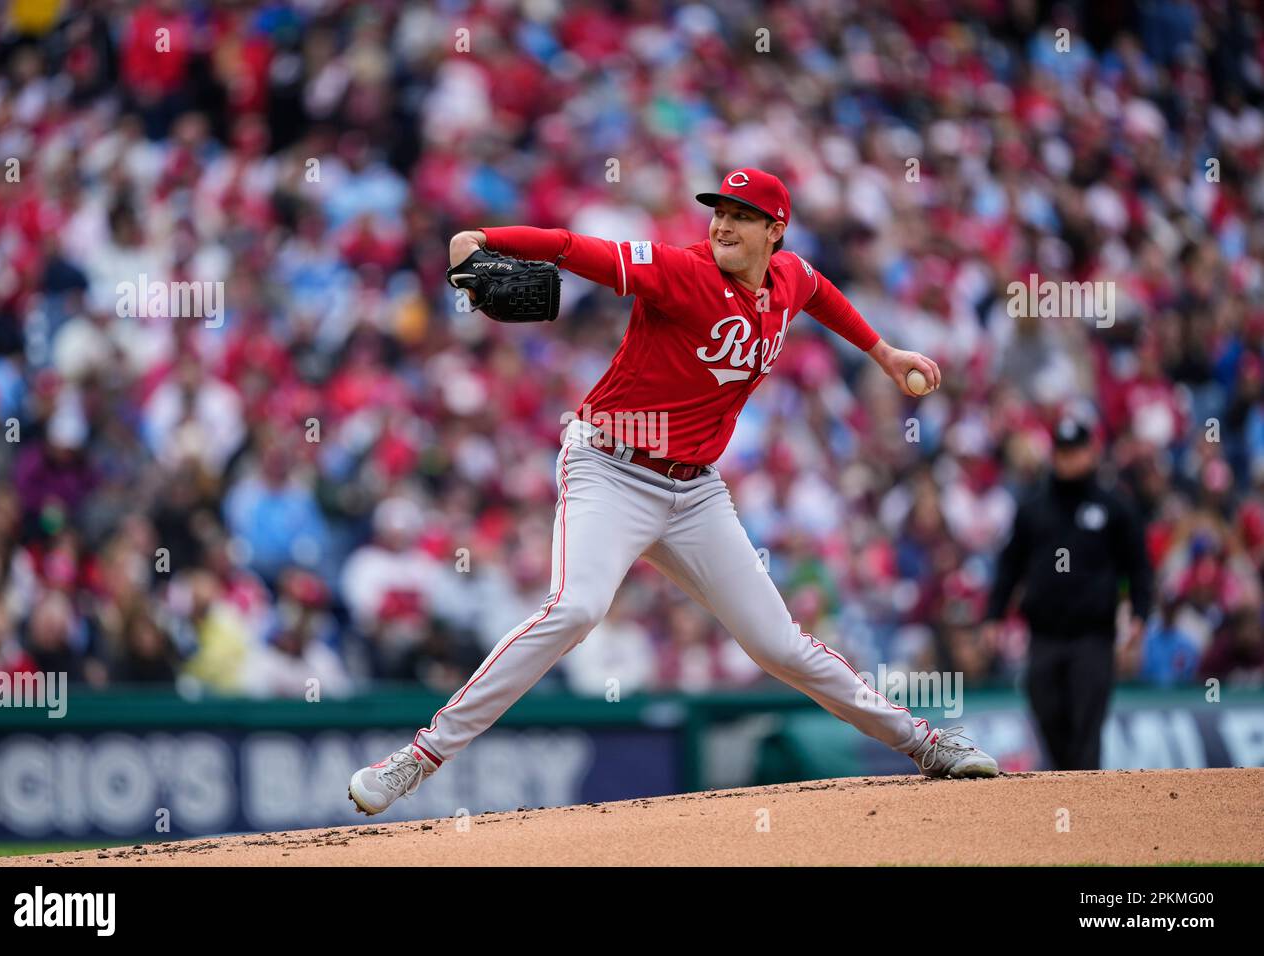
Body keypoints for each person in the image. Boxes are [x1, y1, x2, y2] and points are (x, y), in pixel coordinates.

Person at [348, 168, 999, 814]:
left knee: (779, 645)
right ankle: (420, 756)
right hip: (609, 467)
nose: (723, 224)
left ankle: (925, 744)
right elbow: (576, 251)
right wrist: (482, 237)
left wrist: (883, 352)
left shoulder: (788, 277)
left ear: (776, 230)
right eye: (719, 211)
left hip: (696, 493)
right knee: (575, 609)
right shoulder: (681, 272)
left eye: (741, 216)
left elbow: (819, 290)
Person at [982, 413, 1153, 771]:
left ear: (1091, 452)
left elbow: (1138, 565)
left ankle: (1085, 805)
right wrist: (994, 615)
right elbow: (1010, 564)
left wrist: (1139, 614)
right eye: (1063, 452)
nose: (1069, 459)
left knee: (1086, 725)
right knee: (1048, 716)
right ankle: (1066, 789)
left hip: (1092, 636)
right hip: (1044, 637)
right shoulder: (1033, 509)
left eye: (1076, 451)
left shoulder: (1114, 507)